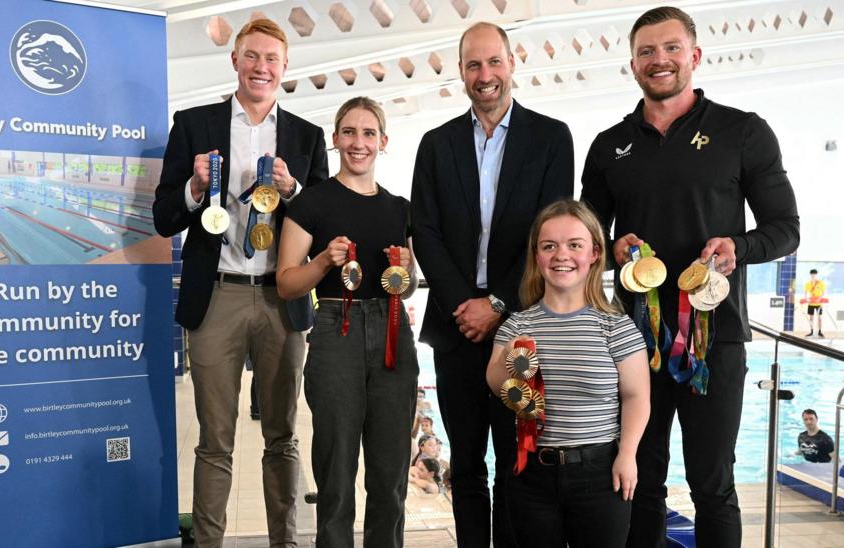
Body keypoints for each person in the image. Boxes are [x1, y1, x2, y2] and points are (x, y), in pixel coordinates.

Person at [579, 7, 799, 546]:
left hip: (714, 339)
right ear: (632, 64)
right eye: (648, 51)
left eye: (672, 48)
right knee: (638, 482)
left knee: (713, 487)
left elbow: (785, 229)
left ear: (694, 56)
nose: (661, 60)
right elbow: (583, 243)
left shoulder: (742, 131)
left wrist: (737, 248)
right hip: (634, 344)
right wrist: (610, 249)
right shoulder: (609, 145)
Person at [152, 17, 327, 548]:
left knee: (282, 438)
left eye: (272, 59)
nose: (261, 67)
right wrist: (194, 185)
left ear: (285, 68)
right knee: (215, 441)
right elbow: (164, 217)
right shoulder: (193, 124)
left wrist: (295, 191)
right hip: (217, 296)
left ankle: (285, 542)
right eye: (252, 56)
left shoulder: (306, 137)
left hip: (282, 297)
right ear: (234, 61)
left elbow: (324, 224)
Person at [410, 21, 574, 547]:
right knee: (468, 465)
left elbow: (548, 234)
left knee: (515, 461)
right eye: (474, 65)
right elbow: (425, 232)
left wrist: (497, 304)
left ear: (512, 63)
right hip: (456, 325)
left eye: (494, 62)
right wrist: (467, 305)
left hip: (522, 323)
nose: (486, 75)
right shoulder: (436, 145)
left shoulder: (550, 138)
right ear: (461, 72)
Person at [276, 96, 419, 548]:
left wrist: (407, 270)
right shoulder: (312, 203)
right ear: (335, 139)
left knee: (390, 474)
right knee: (336, 472)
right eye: (350, 132)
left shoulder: (401, 208)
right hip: (337, 325)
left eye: (369, 133)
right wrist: (321, 261)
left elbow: (409, 286)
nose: (359, 142)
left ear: (384, 141)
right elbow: (286, 282)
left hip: (393, 331)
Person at [485, 200, 650, 547]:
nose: (562, 255)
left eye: (574, 244)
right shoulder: (517, 324)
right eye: (550, 246)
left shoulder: (615, 327)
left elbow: (636, 396)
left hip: (601, 473)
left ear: (594, 253)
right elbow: (497, 384)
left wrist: (628, 455)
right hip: (532, 473)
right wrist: (511, 355)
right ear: (537, 256)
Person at [804, 269, 826, 337]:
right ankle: (811, 331)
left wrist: (819, 298)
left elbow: (823, 292)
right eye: (812, 275)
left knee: (819, 318)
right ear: (810, 275)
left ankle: (819, 331)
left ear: (816, 275)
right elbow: (805, 293)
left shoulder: (820, 283)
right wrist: (806, 298)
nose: (813, 276)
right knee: (811, 318)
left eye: (814, 275)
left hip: (818, 303)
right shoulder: (808, 283)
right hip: (811, 303)